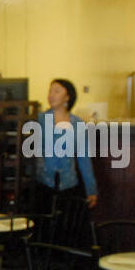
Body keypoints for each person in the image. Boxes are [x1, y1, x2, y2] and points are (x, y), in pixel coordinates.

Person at [31, 77, 98, 213]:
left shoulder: (77, 123)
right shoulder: (39, 119)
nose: (51, 95)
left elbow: (84, 158)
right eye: (50, 91)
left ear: (68, 97)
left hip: (68, 184)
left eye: (57, 91)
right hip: (42, 184)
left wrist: (91, 189)